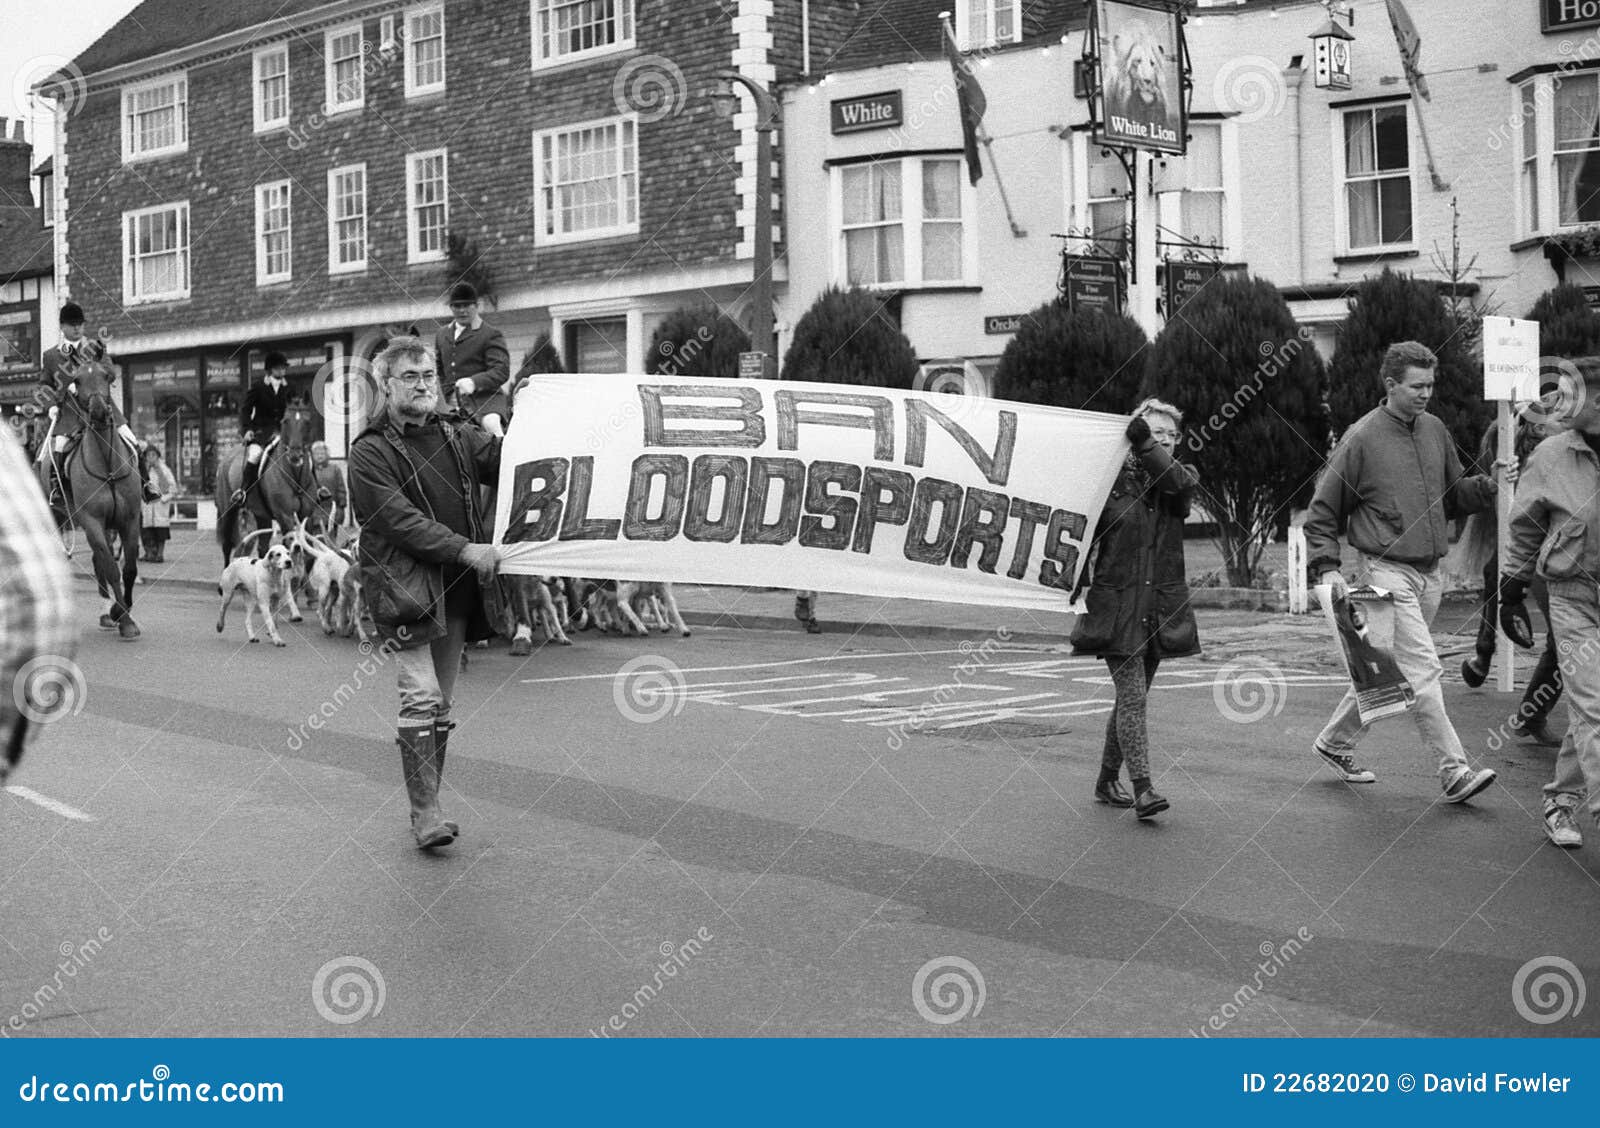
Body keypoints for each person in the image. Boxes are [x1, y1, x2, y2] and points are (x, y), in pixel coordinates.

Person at [1304, 341, 1503, 803]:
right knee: (1423, 670)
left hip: (1431, 573)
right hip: (1382, 571)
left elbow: (1454, 494)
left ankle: (1334, 743)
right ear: (1390, 384)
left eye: (1430, 385)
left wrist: (1491, 485)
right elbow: (1322, 510)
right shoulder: (1361, 438)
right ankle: (1454, 770)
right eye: (1417, 386)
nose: (1426, 394)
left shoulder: (1434, 429)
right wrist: (1326, 566)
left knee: (1390, 670)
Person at [347, 336, 504, 850]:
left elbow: (510, 463)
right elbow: (398, 521)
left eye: (428, 375)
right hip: (407, 589)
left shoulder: (458, 436)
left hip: (458, 590)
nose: (422, 385)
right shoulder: (368, 451)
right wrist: (466, 549)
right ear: (386, 386)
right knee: (421, 695)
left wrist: (526, 421)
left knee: (441, 704)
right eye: (410, 377)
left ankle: (430, 803)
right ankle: (425, 814)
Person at [1069, 397, 1199, 820]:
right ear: (1132, 436)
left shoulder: (1179, 481)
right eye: (1153, 433)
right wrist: (1071, 583)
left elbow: (1179, 488)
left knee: (1131, 699)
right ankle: (1144, 788)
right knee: (1133, 696)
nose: (1165, 441)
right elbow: (1080, 537)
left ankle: (1107, 780)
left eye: (1170, 435)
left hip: (1160, 609)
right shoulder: (1107, 484)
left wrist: (1147, 446)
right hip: (1117, 607)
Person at [1502, 357, 1600, 849]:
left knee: (1590, 711)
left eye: (1567, 396)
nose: (1557, 403)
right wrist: (1512, 589)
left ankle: (1560, 800)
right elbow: (1524, 527)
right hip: (1571, 596)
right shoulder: (1550, 454)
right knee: (1595, 706)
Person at [1456, 404, 1563, 744]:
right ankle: (1534, 713)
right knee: (1568, 641)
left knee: (1569, 643)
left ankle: (1532, 711)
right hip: (1557, 557)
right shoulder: (1558, 443)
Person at [0, 423, 76, 786]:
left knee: (127, 443)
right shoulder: (55, 366)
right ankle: (61, 495)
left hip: (98, 414)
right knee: (54, 454)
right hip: (65, 416)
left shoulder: (99, 362)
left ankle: (145, 487)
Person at [38, 302, 156, 505]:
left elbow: (110, 372)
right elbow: (45, 386)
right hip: (70, 412)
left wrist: (93, 378)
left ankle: (146, 485)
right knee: (59, 446)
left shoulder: (96, 347)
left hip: (101, 407)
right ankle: (58, 490)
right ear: (62, 327)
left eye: (80, 324)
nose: (77, 328)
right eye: (72, 324)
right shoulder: (51, 356)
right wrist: (52, 405)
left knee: (131, 439)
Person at [434, 283, 509, 426]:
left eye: (467, 305)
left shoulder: (490, 334)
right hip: (450, 401)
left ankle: (502, 447)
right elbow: (438, 369)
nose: (462, 311)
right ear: (451, 307)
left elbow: (501, 370)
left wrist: (474, 382)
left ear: (476, 306)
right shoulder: (441, 334)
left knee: (491, 424)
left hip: (484, 400)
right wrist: (445, 392)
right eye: (457, 306)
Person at [234, 351, 293, 505]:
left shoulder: (289, 387)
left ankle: (316, 490)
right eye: (278, 368)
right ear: (270, 370)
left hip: (283, 431)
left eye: (283, 368)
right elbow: (245, 410)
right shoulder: (258, 386)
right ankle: (244, 491)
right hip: (262, 432)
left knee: (301, 453)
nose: (282, 371)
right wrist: (246, 430)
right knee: (255, 454)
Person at [138, 446, 178, 562]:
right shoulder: (144, 471)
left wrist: (165, 498)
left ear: (158, 456)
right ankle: (150, 553)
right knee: (148, 532)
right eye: (148, 456)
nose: (151, 458)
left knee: (161, 532)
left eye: (153, 455)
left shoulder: (164, 470)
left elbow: (173, 487)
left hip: (160, 506)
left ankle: (160, 554)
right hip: (148, 506)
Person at [310, 441, 347, 532]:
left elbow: (341, 488)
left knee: (331, 539)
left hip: (332, 510)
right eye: (317, 454)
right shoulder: (309, 471)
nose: (320, 456)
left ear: (327, 454)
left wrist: (342, 505)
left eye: (322, 453)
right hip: (315, 512)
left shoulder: (335, 469)